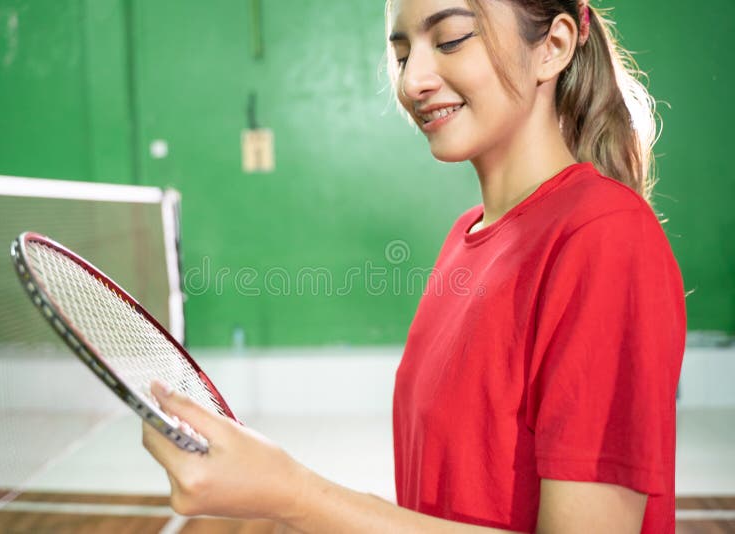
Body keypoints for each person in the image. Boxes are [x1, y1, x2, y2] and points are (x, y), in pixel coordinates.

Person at [142, 0, 686, 532]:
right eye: (402, 55)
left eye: (450, 39)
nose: (413, 82)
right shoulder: (465, 237)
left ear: (554, 46)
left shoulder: (604, 236)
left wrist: (293, 494)